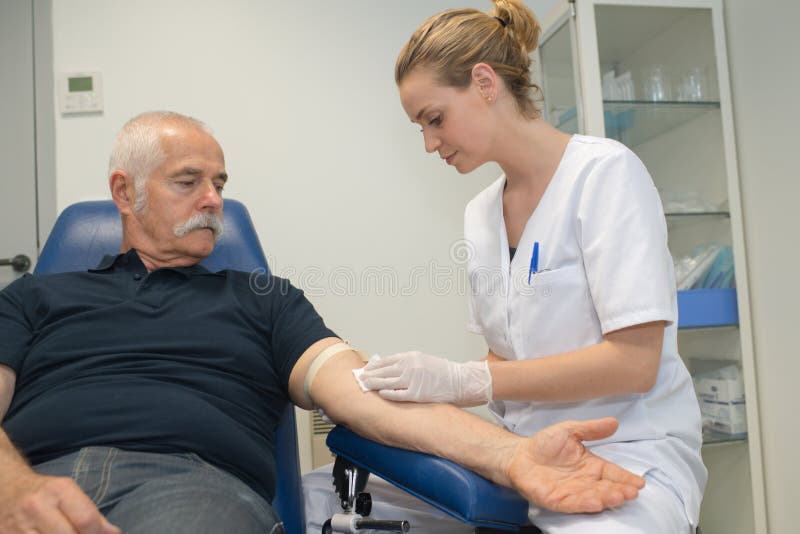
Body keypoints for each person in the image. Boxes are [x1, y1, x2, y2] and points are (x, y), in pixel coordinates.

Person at [0, 111, 646, 534]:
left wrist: (512, 456)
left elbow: (365, 395)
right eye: (188, 181)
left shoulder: (262, 300)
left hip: (188, 495)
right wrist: (15, 487)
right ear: (123, 193)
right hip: (27, 473)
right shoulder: (35, 297)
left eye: (220, 182)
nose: (214, 200)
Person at [339, 1, 707, 533]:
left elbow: (634, 362)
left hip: (627, 453)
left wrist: (465, 380)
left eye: (434, 119)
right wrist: (446, 387)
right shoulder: (481, 214)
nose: (428, 144)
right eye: (420, 127)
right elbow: (503, 356)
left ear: (485, 82)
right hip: (527, 453)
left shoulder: (603, 175)